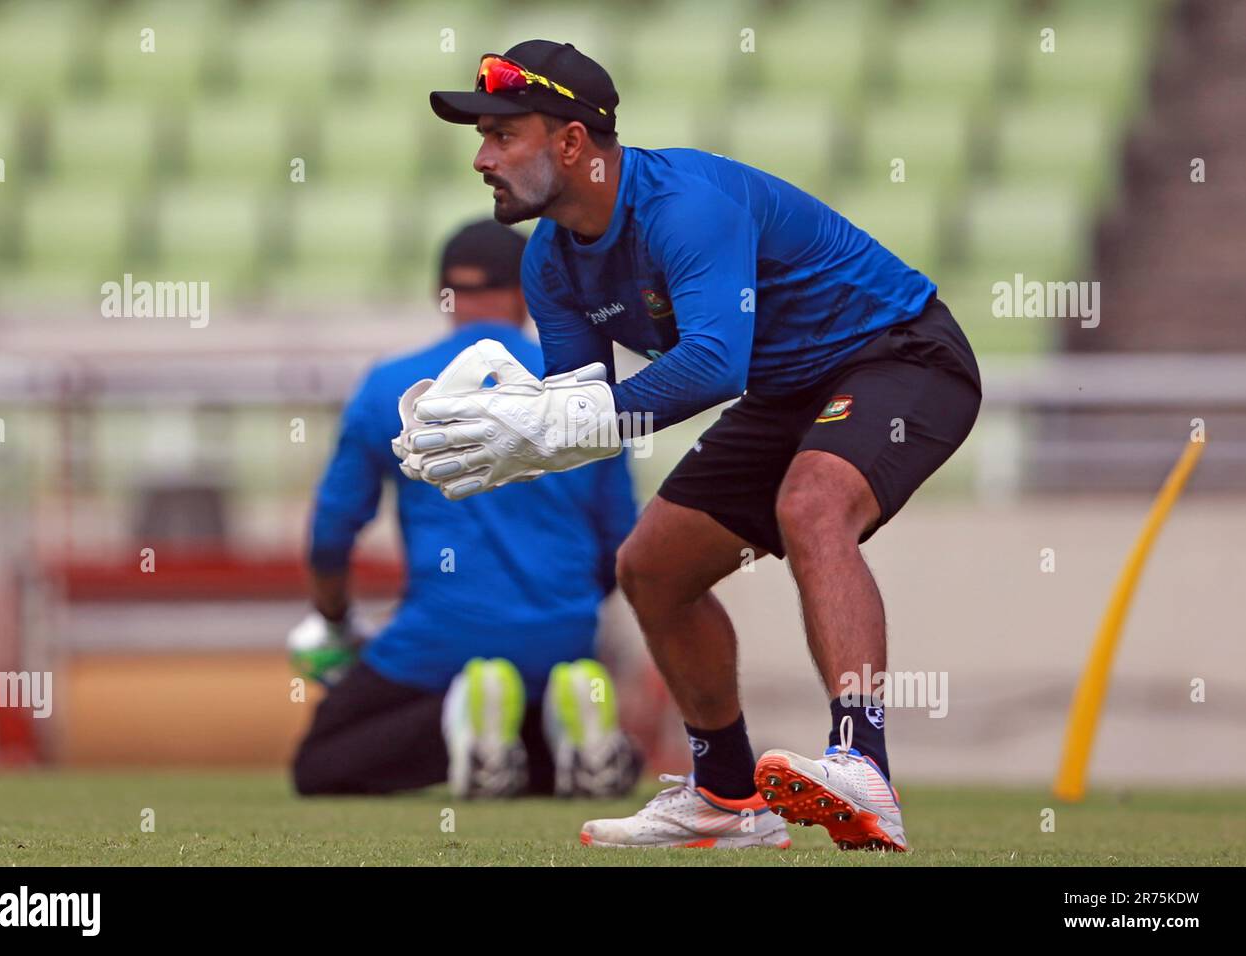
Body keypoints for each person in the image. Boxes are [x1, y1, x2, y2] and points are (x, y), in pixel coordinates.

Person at [396, 40, 983, 850]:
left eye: (503, 135)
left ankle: (864, 764)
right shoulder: (550, 263)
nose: (481, 158)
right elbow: (582, 411)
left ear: (571, 142)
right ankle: (728, 796)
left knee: (810, 504)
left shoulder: (685, 204)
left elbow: (711, 363)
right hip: (784, 388)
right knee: (651, 567)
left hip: (902, 352)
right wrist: (525, 444)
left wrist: (564, 426)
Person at [290, 218, 641, 800]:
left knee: (322, 763)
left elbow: (332, 531)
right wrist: (561, 610)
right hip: (563, 638)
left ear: (442, 294)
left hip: (439, 641)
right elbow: (620, 543)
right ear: (531, 293)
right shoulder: (585, 391)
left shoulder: (389, 386)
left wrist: (333, 618)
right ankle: (575, 735)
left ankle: (464, 715)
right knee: (526, 736)